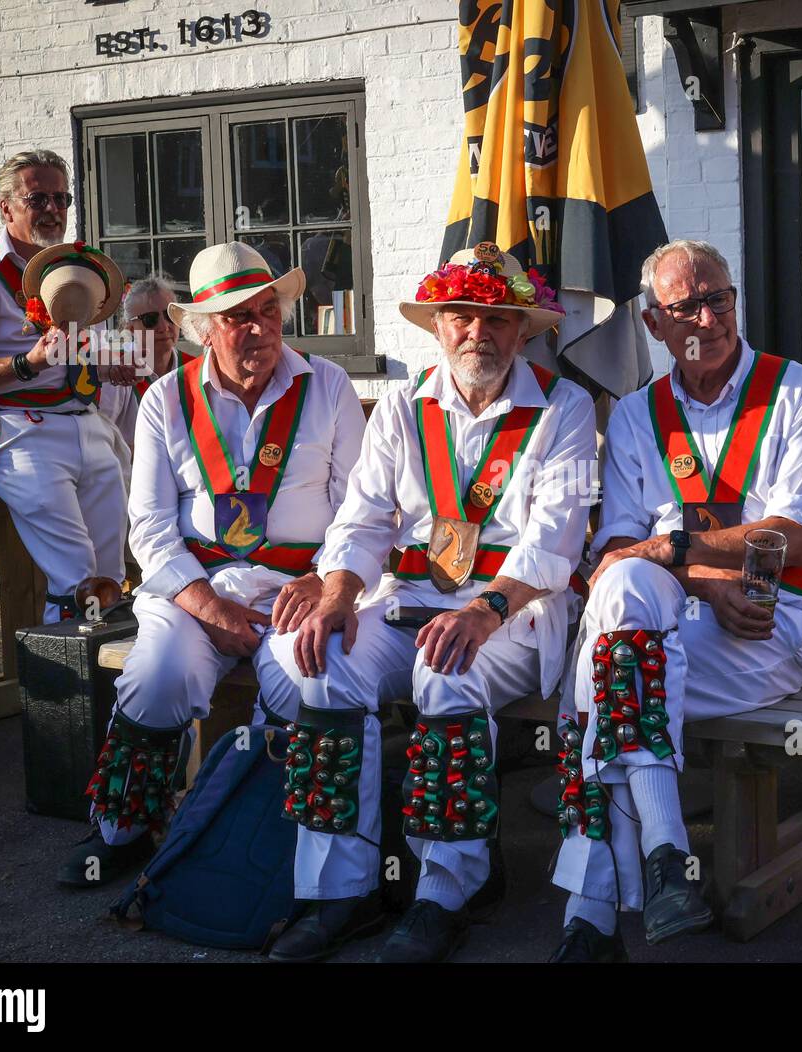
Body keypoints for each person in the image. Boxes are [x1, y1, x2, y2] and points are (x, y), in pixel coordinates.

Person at [263, 243, 596, 963]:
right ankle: (339, 892)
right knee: (320, 662)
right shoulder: (402, 408)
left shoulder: (565, 407)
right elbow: (360, 520)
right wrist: (337, 595)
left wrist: (483, 611)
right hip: (407, 602)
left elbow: (555, 543)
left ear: (524, 329)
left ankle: (445, 891)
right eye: (462, 316)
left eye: (498, 318)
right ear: (438, 326)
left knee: (444, 670)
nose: (480, 331)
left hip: (513, 615)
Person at [549, 239, 802, 962]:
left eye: (719, 299)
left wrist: (678, 551)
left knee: (592, 687)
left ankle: (593, 912)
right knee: (620, 616)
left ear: (735, 302)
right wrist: (703, 580)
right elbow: (614, 553)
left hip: (767, 623)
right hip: (674, 613)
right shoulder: (630, 417)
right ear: (654, 324)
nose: (706, 319)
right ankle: (661, 862)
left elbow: (798, 539)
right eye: (686, 306)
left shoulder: (800, 392)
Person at [58, 242, 364, 886]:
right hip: (193, 590)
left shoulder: (328, 385)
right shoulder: (165, 400)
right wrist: (206, 604)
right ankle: (123, 829)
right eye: (237, 317)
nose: (259, 329)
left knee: (300, 680)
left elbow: (357, 510)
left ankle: (260, 831)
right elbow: (149, 529)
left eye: (269, 311)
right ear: (199, 330)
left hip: (296, 590)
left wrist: (324, 580)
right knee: (159, 674)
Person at [0, 150, 136, 621]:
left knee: (110, 575)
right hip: (21, 431)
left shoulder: (75, 267)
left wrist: (106, 369)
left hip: (89, 425)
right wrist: (27, 363)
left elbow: (75, 355)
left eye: (61, 198)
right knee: (76, 579)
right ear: (6, 207)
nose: (53, 209)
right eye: (37, 198)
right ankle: (65, 693)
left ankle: (111, 691)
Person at [101, 274, 193, 452]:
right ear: (130, 329)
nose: (164, 326)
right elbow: (101, 438)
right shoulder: (119, 371)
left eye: (170, 315)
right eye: (150, 319)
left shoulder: (195, 368)